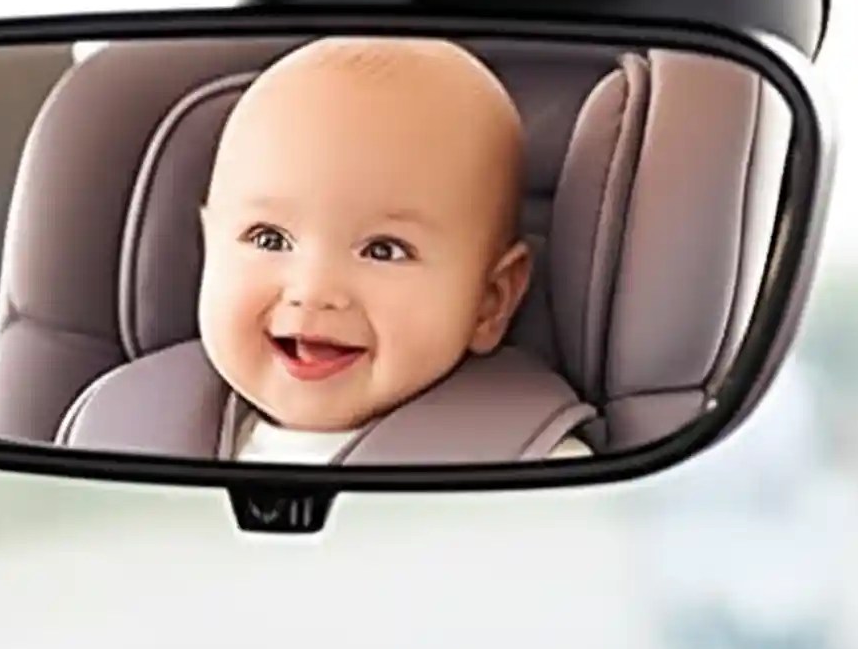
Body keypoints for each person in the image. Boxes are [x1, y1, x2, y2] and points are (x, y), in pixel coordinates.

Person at [195, 36, 592, 463]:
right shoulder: (129, 426)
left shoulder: (538, 472)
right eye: (268, 239)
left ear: (489, 302)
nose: (312, 290)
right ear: (209, 249)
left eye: (383, 250)